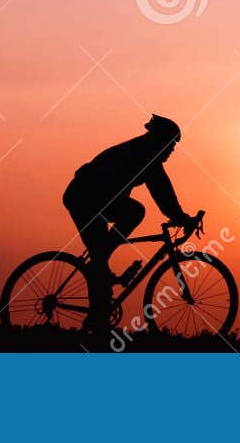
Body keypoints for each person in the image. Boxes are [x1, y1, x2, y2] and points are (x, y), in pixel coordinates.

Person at [63, 115, 195, 330]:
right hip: (84, 197)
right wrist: (181, 218)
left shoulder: (145, 153)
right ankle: (97, 318)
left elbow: (164, 192)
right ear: (159, 141)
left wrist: (179, 216)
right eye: (171, 144)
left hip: (97, 198)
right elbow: (163, 193)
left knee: (104, 253)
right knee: (131, 215)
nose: (172, 150)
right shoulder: (145, 155)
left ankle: (98, 316)